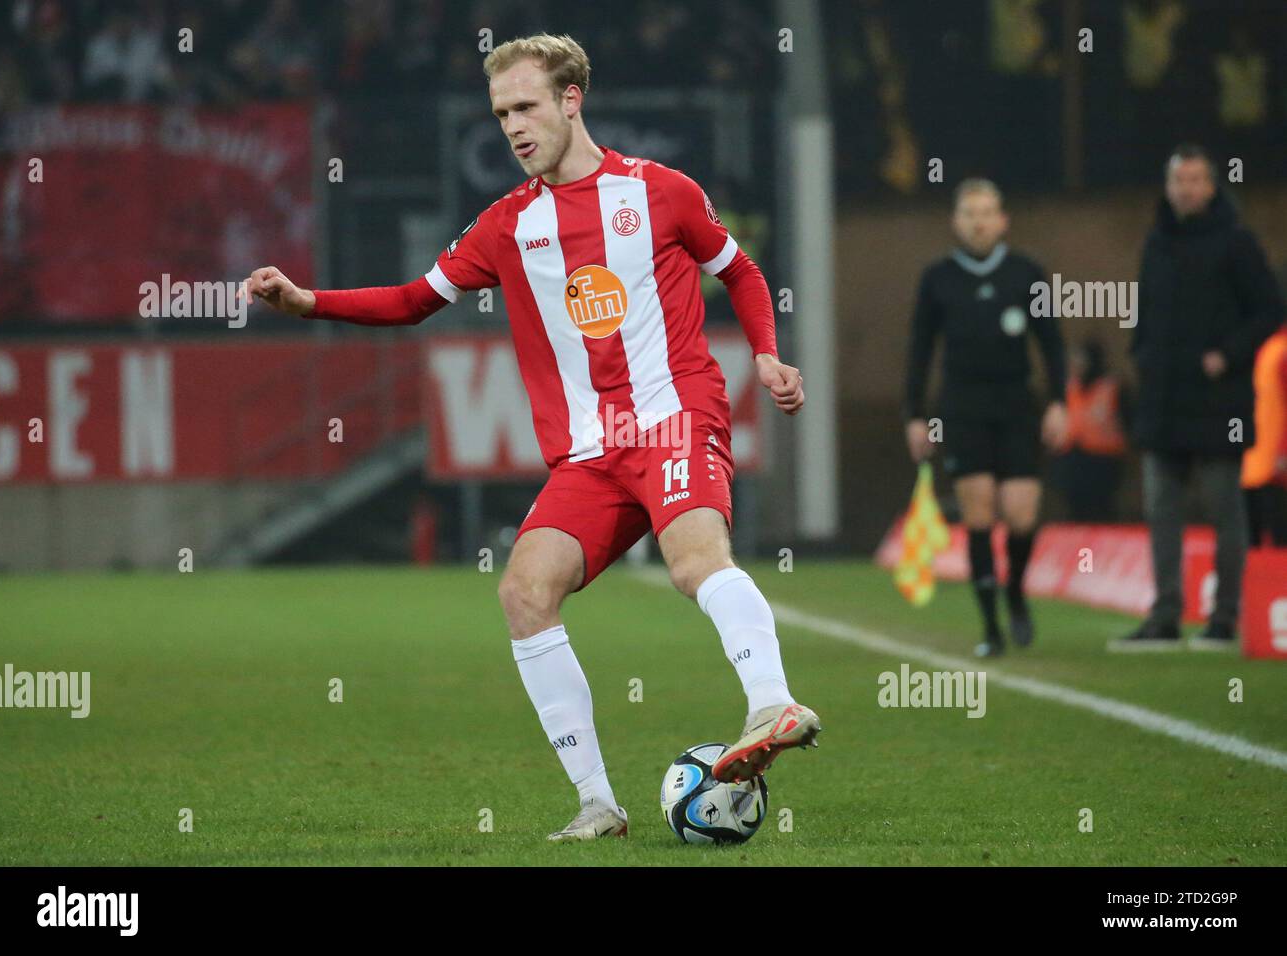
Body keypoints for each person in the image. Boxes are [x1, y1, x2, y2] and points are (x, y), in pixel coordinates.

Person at [240, 34, 820, 842]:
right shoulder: (508, 225)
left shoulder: (661, 191)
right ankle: (599, 803)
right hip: (590, 451)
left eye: (526, 106)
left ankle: (771, 703)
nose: (513, 127)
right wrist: (308, 302)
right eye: (501, 113)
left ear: (571, 100)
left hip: (674, 414)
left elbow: (742, 272)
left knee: (694, 561)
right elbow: (414, 300)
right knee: (523, 591)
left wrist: (766, 354)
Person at [1111, 145, 1284, 652]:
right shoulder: (1156, 242)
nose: (1185, 188)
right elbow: (1144, 308)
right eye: (1177, 180)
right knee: (1161, 508)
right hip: (1162, 400)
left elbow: (1270, 311)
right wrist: (1141, 352)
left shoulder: (1237, 242)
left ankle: (1224, 620)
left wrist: (1226, 356)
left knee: (1224, 509)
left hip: (1216, 402)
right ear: (1167, 187)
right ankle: (1164, 616)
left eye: (1195, 179)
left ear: (1212, 186)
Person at [903, 178, 1067, 658]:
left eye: (987, 212)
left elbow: (1052, 344)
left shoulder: (1027, 273)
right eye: (970, 213)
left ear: (1002, 220)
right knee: (978, 513)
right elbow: (919, 350)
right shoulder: (938, 279)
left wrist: (1058, 401)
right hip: (963, 407)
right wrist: (915, 415)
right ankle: (990, 625)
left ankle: (1015, 588)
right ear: (957, 221)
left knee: (1020, 514)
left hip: (1017, 405)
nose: (979, 221)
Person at [1052, 339, 1128, 521]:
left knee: (1102, 509)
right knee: (1074, 509)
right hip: (1072, 459)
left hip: (1104, 460)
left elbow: (1127, 421)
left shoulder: (1112, 387)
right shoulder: (1067, 387)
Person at [1242, 325, 1287, 547]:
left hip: (1275, 465)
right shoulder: (1268, 350)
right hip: (1258, 461)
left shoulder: (1277, 352)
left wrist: (1283, 450)